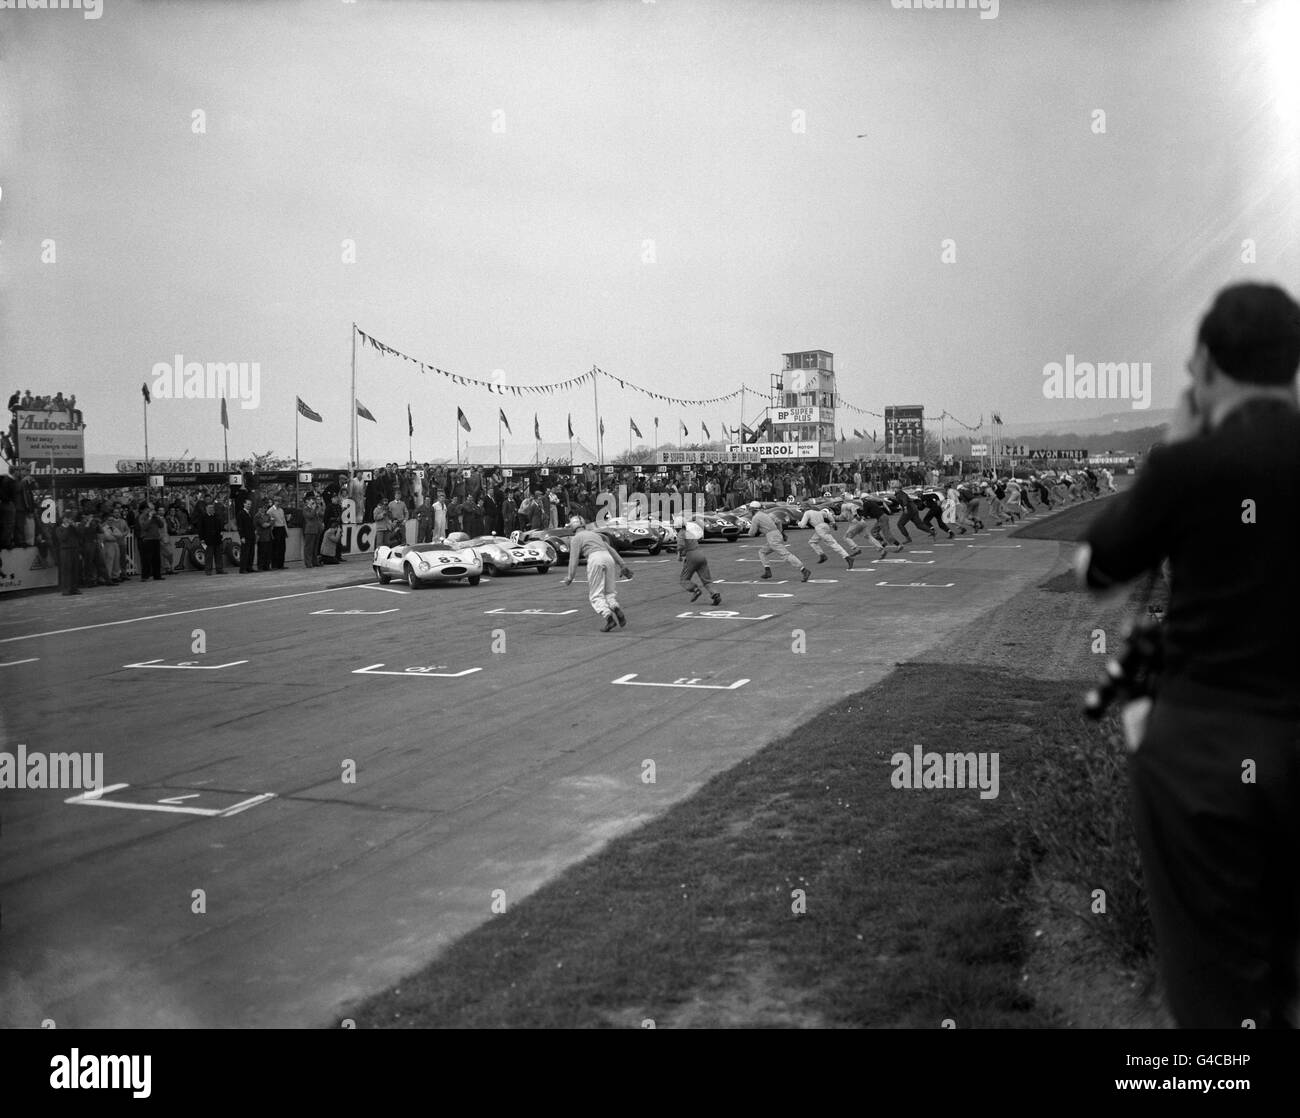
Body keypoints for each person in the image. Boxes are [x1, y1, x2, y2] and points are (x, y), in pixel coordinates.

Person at [1079, 281, 1300, 1029]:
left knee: (1219, 1004)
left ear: (1204, 366)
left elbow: (1098, 571)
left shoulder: (1190, 465)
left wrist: (1175, 447)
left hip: (1208, 745)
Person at [562, 517, 632, 631]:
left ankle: (609, 618)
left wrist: (570, 577)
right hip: (608, 558)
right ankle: (616, 608)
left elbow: (573, 560)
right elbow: (611, 550)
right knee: (609, 592)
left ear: (572, 527)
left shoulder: (576, 538)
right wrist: (622, 565)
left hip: (595, 558)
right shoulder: (595, 535)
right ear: (584, 524)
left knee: (596, 595)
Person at [747, 502, 810, 582]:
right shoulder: (767, 514)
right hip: (776, 534)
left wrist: (748, 532)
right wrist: (780, 532)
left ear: (753, 510)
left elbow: (752, 533)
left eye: (750, 509)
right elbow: (778, 522)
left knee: (785, 555)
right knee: (762, 552)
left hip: (772, 537)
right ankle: (767, 571)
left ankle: (804, 570)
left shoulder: (756, 517)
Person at [676, 516, 721, 605]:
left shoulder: (681, 533)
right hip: (701, 555)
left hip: (692, 557)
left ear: (677, 526)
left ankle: (695, 590)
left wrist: (679, 554)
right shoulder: (690, 533)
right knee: (706, 580)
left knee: (684, 579)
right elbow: (690, 545)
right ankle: (715, 594)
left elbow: (681, 546)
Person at [797, 503, 854, 568]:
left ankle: (848, 557)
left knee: (833, 544)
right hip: (824, 526)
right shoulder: (818, 512)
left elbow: (802, 525)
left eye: (802, 509)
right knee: (812, 542)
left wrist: (798, 523)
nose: (801, 511)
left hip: (819, 528)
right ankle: (822, 555)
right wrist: (833, 523)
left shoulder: (807, 513)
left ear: (805, 508)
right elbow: (829, 515)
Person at [137, 501, 166, 581]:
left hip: (156, 539)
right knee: (146, 559)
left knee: (157, 558)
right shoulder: (142, 516)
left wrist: (157, 517)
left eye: (152, 509)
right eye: (149, 509)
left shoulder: (155, 516)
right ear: (145, 509)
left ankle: (157, 575)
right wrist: (149, 518)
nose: (151, 510)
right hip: (147, 539)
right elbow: (144, 527)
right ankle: (145, 576)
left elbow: (161, 525)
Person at [196, 500, 226, 575]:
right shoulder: (203, 517)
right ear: (206, 509)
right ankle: (208, 570)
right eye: (209, 508)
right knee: (208, 556)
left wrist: (221, 535)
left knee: (218, 555)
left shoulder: (216, 517)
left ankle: (219, 569)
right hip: (207, 540)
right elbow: (200, 529)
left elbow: (220, 527)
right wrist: (202, 539)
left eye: (212, 508)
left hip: (217, 539)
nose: (211, 509)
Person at [302, 499, 323, 567]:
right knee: (309, 547)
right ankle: (308, 562)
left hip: (316, 529)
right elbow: (310, 516)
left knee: (315, 547)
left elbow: (321, 515)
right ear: (307, 501)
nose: (313, 502)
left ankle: (314, 561)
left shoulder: (315, 508)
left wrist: (319, 507)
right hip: (310, 530)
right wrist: (313, 509)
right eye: (311, 501)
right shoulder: (305, 509)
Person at [237, 498, 256, 573]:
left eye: (250, 504)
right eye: (247, 504)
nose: (249, 505)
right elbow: (240, 526)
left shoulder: (250, 513)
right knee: (245, 553)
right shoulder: (241, 513)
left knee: (251, 553)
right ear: (244, 504)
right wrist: (242, 537)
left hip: (251, 536)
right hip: (245, 537)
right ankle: (242, 569)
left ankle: (249, 567)